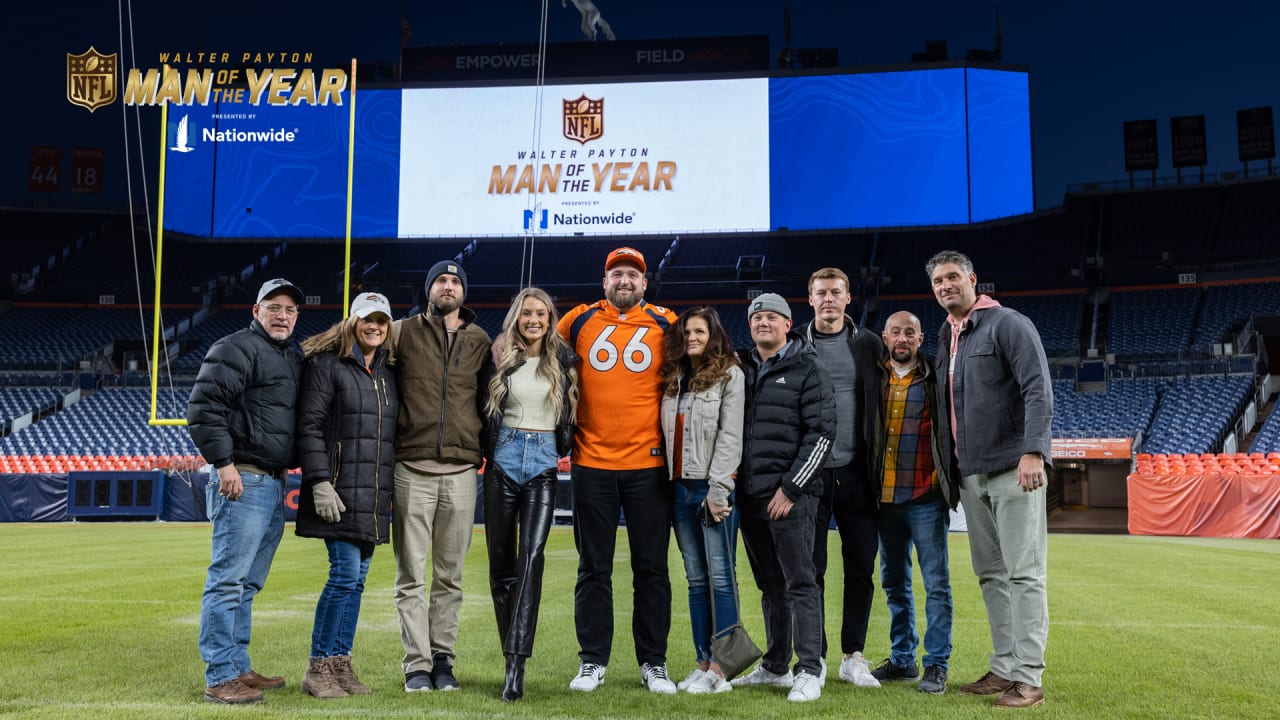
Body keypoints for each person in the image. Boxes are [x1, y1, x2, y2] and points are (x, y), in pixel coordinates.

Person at [927, 250, 1052, 709]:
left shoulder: (1008, 323)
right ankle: (1004, 666)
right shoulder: (947, 334)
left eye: (952, 277)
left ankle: (1029, 678)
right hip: (969, 473)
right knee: (991, 576)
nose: (945, 286)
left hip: (1013, 469)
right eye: (938, 281)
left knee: (1024, 574)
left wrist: (1033, 451)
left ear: (972, 279)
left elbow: (1037, 387)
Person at [557, 246, 680, 694]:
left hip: (650, 464)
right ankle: (593, 661)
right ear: (604, 281)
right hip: (592, 462)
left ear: (645, 282)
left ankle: (653, 662)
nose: (624, 280)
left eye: (632, 274)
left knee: (652, 569)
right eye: (616, 274)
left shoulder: (667, 322)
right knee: (593, 568)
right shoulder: (577, 320)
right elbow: (532, 349)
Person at [188, 277, 304, 704]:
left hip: (273, 480)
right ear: (256, 311)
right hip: (243, 478)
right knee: (228, 581)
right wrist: (223, 464)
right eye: (274, 307)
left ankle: (237, 665)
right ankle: (220, 676)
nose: (282, 316)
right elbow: (204, 407)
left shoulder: (290, 357)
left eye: (290, 310)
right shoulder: (235, 347)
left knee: (248, 583)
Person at [392, 260, 493, 693]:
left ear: (463, 292)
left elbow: (489, 398)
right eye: (441, 280)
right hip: (411, 465)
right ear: (429, 288)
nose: (448, 286)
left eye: (455, 281)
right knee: (411, 577)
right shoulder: (401, 331)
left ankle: (442, 660)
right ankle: (416, 664)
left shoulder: (480, 339)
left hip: (462, 468)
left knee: (450, 577)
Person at [730, 293, 835, 703]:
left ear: (788, 324)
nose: (764, 323)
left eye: (772, 317)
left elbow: (822, 434)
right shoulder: (741, 368)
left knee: (800, 583)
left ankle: (809, 669)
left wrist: (791, 489)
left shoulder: (808, 366)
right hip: (751, 496)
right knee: (770, 585)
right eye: (757, 318)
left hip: (791, 497)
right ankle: (775, 666)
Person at [294, 292, 399, 699]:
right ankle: (317, 667)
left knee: (357, 582)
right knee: (343, 576)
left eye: (382, 320)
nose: (375, 326)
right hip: (337, 490)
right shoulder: (326, 365)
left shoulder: (388, 372)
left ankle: (341, 663)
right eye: (368, 319)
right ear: (352, 321)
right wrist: (320, 481)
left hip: (372, 493)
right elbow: (310, 426)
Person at [480, 287, 579, 702]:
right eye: (526, 313)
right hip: (502, 460)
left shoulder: (563, 360)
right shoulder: (500, 357)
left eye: (541, 313)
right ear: (516, 318)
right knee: (500, 567)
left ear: (550, 318)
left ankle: (516, 665)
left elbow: (572, 414)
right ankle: (510, 656)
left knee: (531, 559)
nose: (534, 319)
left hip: (542, 464)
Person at [796, 267, 887, 687]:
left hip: (857, 472)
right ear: (810, 299)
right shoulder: (796, 343)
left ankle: (853, 655)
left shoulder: (869, 343)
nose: (828, 299)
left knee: (861, 569)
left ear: (848, 298)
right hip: (810, 474)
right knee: (810, 570)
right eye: (821, 293)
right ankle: (813, 657)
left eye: (836, 292)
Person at [867, 310, 958, 694]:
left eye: (910, 332)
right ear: (885, 337)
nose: (902, 338)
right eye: (895, 332)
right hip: (885, 498)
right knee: (894, 583)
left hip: (926, 496)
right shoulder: (874, 377)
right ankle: (903, 659)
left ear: (921, 339)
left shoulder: (936, 376)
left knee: (936, 584)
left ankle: (936, 664)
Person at [658, 307, 746, 695]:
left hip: (712, 490)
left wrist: (718, 491)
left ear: (713, 337)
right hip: (678, 489)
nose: (692, 337)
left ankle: (723, 668)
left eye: (699, 331)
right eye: (687, 332)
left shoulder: (730, 375)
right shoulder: (674, 378)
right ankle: (702, 662)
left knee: (721, 577)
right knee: (696, 579)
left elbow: (730, 436)